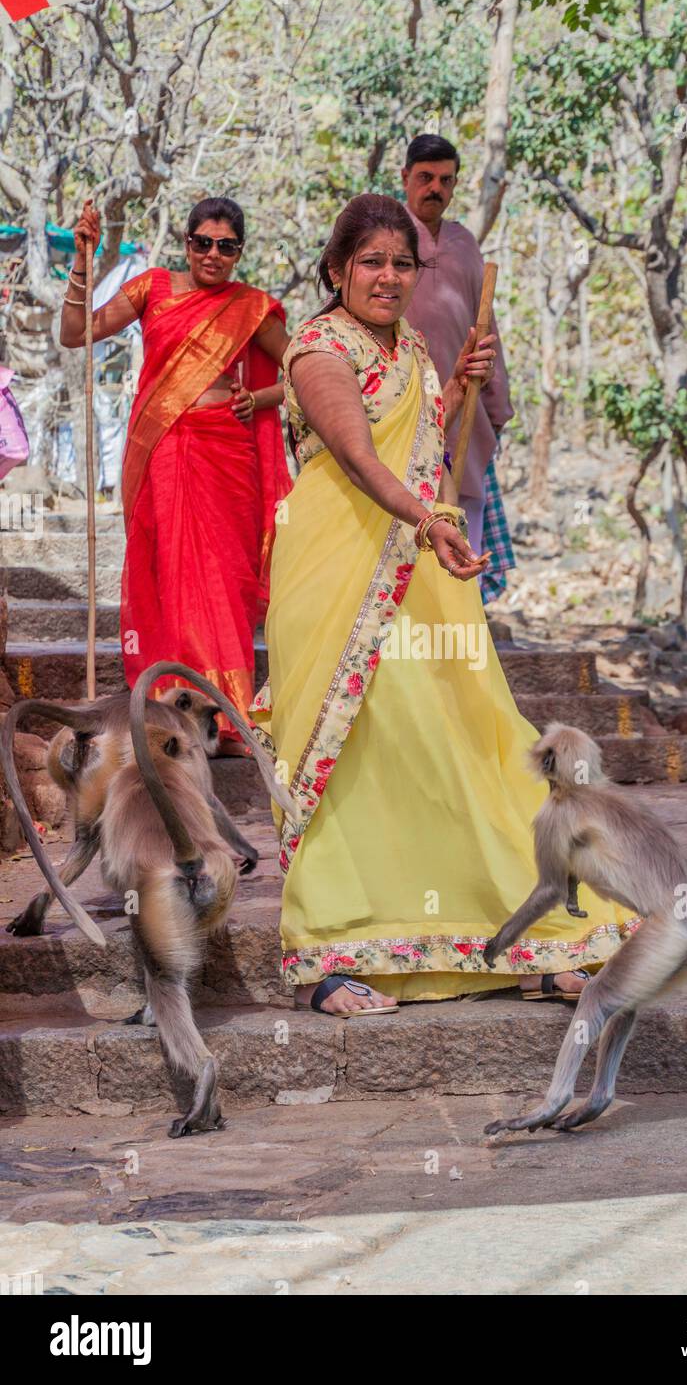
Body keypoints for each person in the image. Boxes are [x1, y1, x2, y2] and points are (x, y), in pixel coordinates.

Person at [250, 193, 635, 1017]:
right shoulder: (318, 348)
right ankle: (327, 953)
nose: (388, 278)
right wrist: (429, 519)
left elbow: (424, 440)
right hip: (340, 574)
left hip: (426, 571)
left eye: (401, 264)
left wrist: (456, 389)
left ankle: (505, 940)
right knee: (354, 754)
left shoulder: (415, 345)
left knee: (459, 742)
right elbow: (357, 455)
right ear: (337, 270)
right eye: (371, 263)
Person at [60, 198, 291, 753]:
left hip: (226, 456)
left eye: (227, 246)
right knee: (169, 577)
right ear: (186, 243)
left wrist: (257, 397)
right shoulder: (154, 288)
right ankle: (167, 713)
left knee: (222, 584)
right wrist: (82, 263)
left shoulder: (252, 308)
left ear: (239, 252)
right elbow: (76, 334)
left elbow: (310, 371)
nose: (213, 254)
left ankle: (227, 721)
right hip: (160, 450)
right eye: (203, 243)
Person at [401, 133, 516, 603]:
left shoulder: (465, 244)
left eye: (446, 181)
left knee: (460, 513)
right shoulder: (385, 236)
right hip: (398, 409)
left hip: (462, 412)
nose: (436, 189)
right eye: (425, 178)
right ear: (404, 177)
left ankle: (457, 624)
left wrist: (496, 406)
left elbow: (484, 328)